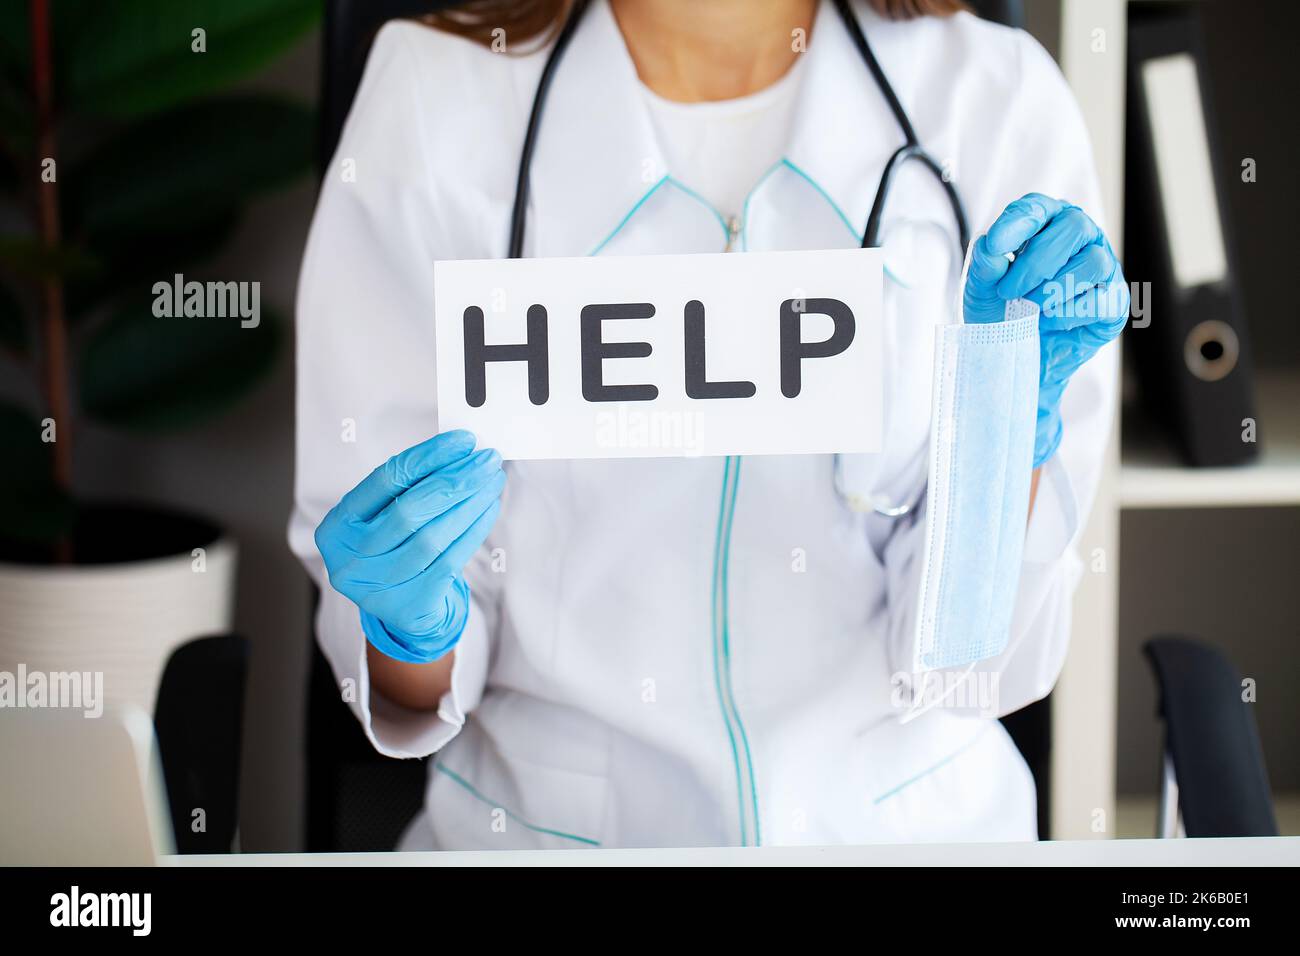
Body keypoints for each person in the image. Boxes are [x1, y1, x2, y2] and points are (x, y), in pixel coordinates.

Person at [289, 0, 1128, 849]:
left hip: (910, 835)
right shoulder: (431, 94)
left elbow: (964, 667)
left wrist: (1005, 439)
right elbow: (407, 682)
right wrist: (407, 621)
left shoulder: (997, 96)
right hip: (546, 837)